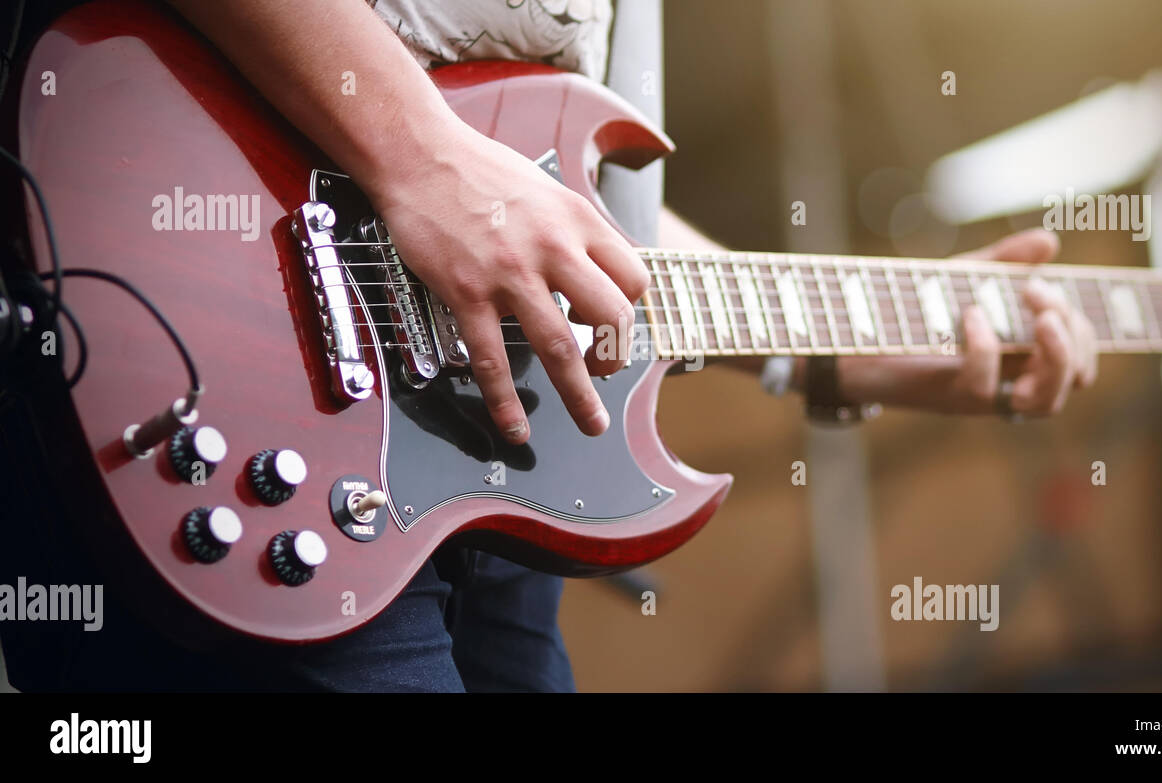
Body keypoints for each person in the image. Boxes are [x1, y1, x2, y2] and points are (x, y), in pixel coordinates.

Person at [0, 0, 1096, 692]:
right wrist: (421, 159)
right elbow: (459, 180)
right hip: (225, 356)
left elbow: (557, 202)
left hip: (474, 482)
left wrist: (831, 354)